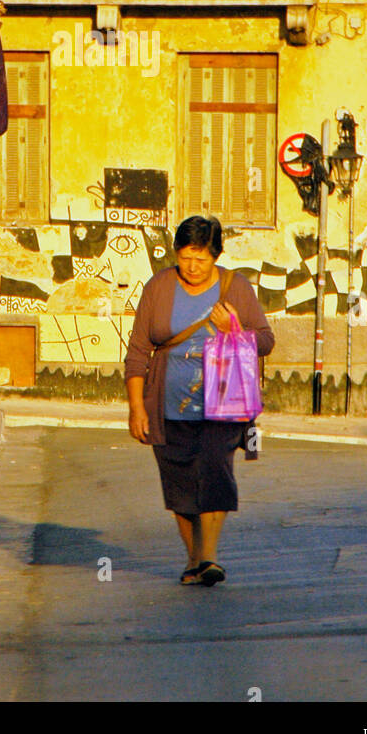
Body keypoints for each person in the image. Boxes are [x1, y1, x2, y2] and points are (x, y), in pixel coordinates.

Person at [124, 214, 275, 586]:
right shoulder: (159, 286)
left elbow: (266, 340)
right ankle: (195, 560)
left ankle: (209, 555)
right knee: (178, 484)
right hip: (167, 402)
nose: (192, 267)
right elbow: (138, 351)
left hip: (224, 402)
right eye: (185, 256)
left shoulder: (235, 286)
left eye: (201, 258)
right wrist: (137, 407)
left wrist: (234, 328)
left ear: (216, 255)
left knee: (214, 468)